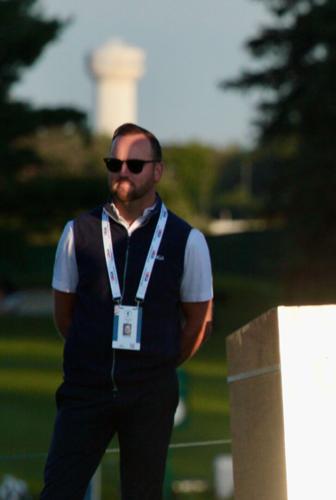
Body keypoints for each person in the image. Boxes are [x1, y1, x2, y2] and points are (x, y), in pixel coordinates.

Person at [42, 123, 214, 499]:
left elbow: (198, 322)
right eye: (114, 162)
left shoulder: (188, 240)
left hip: (150, 393)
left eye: (135, 165)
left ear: (157, 171)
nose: (122, 171)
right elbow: (64, 316)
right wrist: (94, 355)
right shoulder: (78, 232)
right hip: (87, 389)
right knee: (59, 490)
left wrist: (158, 361)